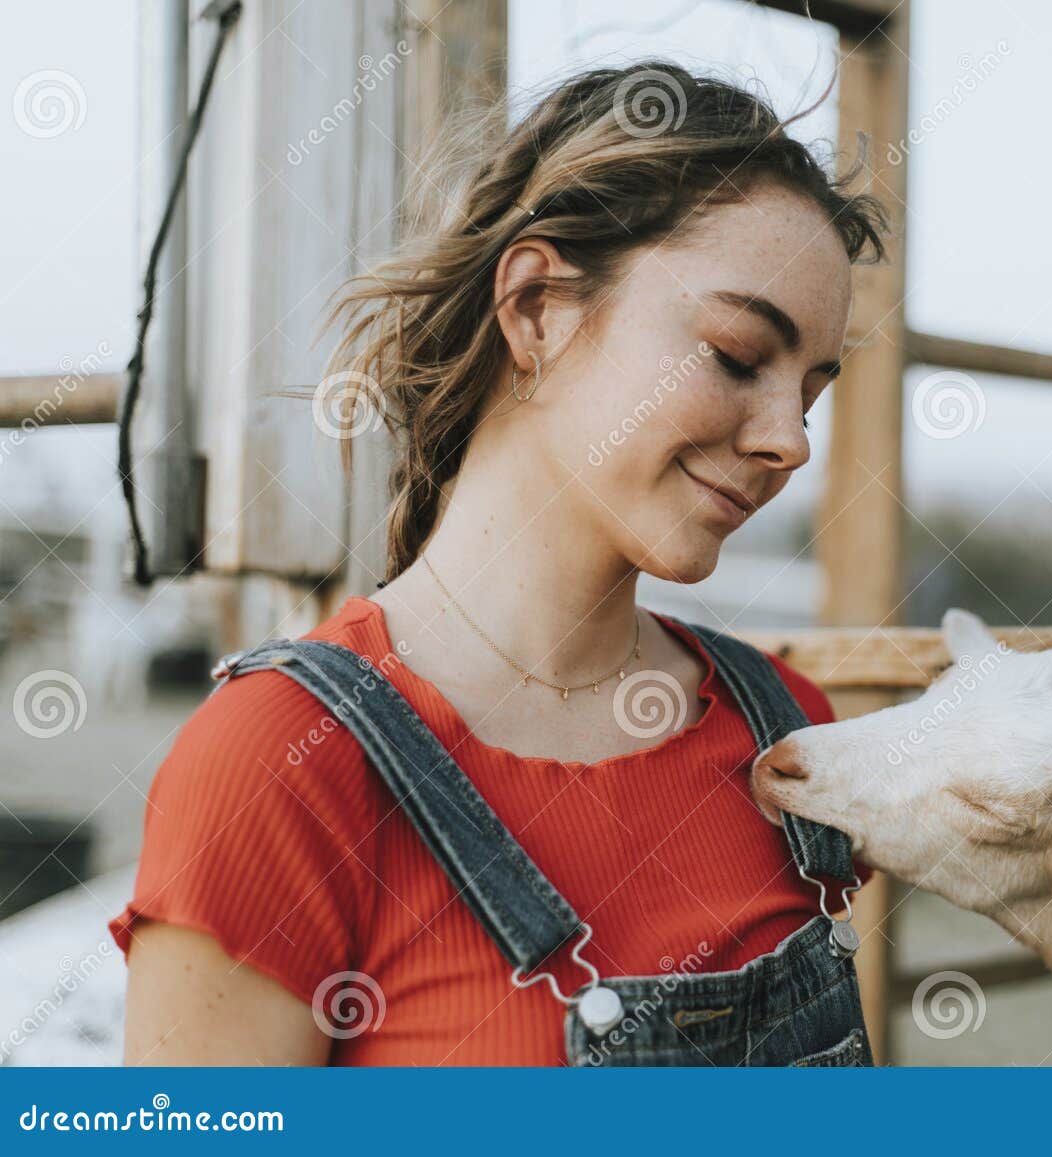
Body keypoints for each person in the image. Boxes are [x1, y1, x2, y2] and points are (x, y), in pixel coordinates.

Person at [111, 59, 889, 1066]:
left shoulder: (787, 734)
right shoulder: (279, 765)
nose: (789, 440)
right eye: (738, 355)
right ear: (534, 307)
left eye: (811, 393)